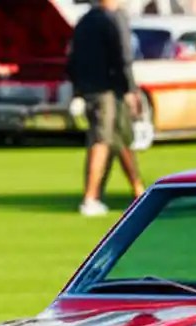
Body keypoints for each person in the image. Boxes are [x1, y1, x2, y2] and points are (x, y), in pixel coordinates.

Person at [67, 0, 146, 217]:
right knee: (101, 139)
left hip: (92, 88)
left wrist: (78, 88)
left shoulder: (85, 20)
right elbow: (123, 56)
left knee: (120, 138)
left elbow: (71, 59)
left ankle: (138, 190)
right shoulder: (114, 18)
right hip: (108, 89)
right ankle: (90, 198)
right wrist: (131, 90)